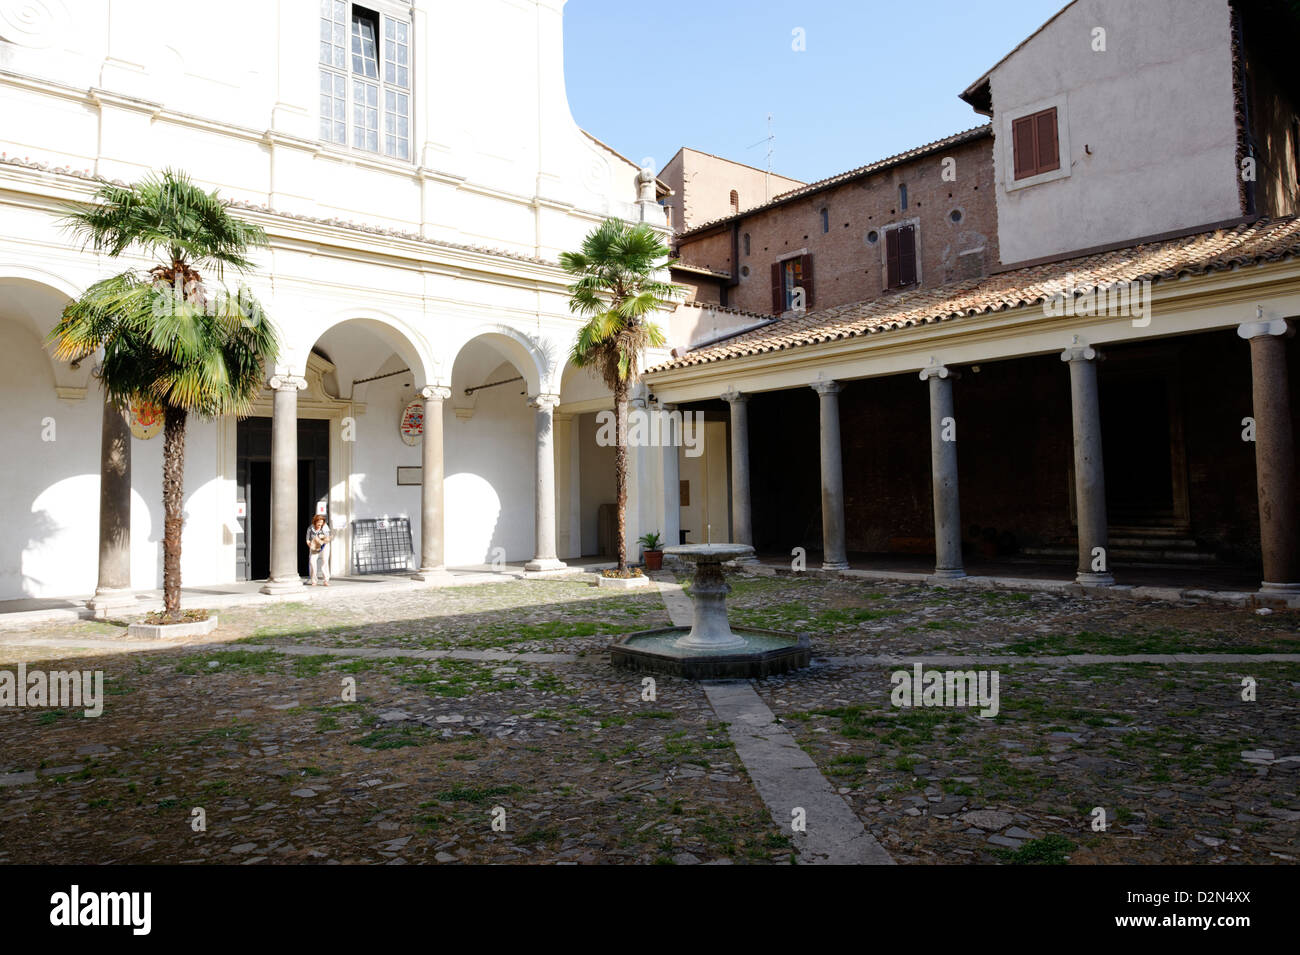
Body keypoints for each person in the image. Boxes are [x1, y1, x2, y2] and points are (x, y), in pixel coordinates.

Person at [305, 514, 332, 586]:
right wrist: (311, 545)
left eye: (322, 522)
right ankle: (314, 580)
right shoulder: (310, 528)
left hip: (324, 546)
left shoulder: (325, 527)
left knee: (325, 561)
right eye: (318, 522)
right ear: (315, 522)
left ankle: (326, 580)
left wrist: (322, 540)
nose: (320, 524)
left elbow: (328, 538)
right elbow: (307, 540)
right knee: (312, 561)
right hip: (314, 546)